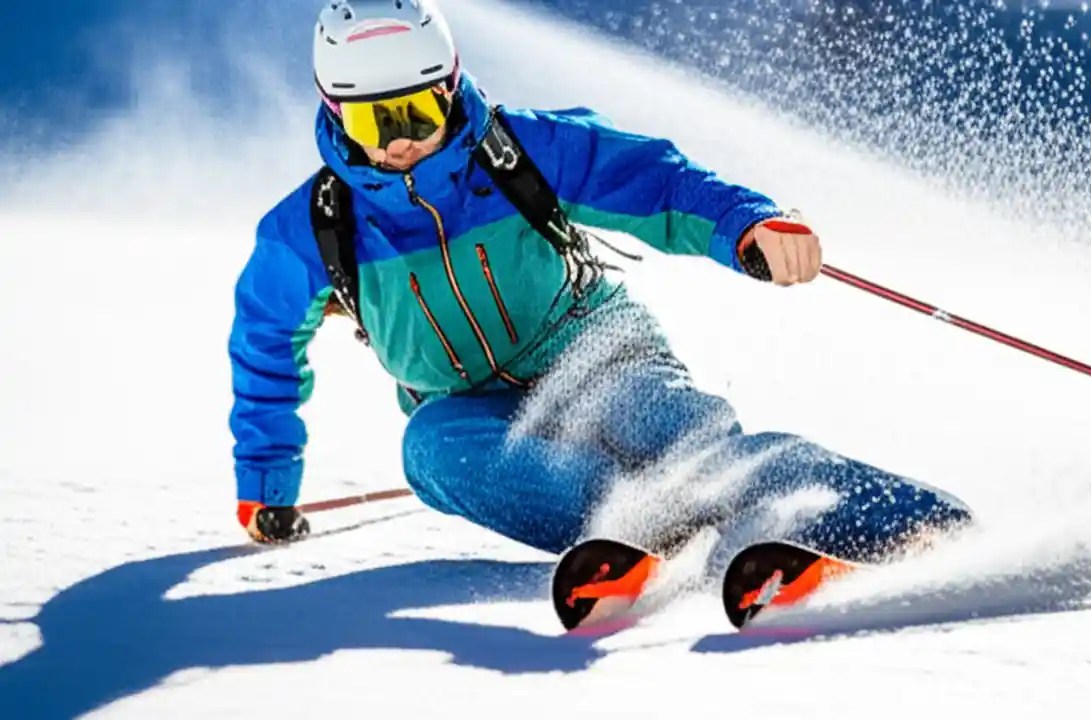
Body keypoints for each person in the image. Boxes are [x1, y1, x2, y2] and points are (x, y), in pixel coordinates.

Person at [230, 0, 970, 561]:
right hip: (468, 410)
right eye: (372, 123)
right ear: (334, 115)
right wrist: (267, 484)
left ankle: (911, 525)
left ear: (449, 88)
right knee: (429, 452)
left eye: (417, 111)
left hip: (592, 351)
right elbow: (265, 345)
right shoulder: (312, 229)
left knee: (685, 449)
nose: (400, 142)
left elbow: (652, 180)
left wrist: (747, 224)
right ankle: (633, 534)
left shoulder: (518, 152)